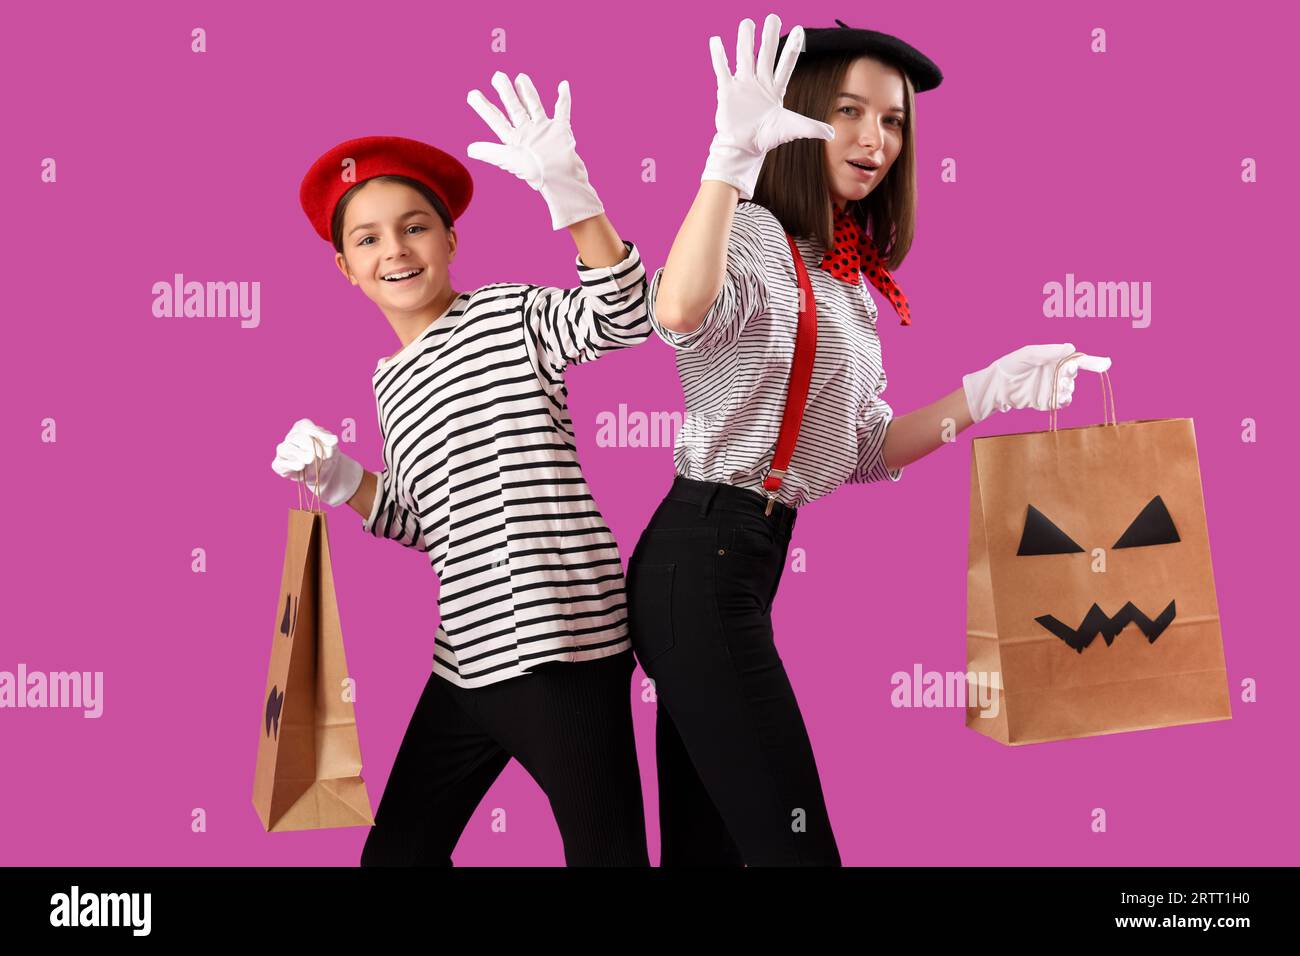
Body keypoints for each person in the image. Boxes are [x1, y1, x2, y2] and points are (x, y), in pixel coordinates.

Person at [626, 15, 1111, 866]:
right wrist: (725, 163)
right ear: (802, 116)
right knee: (797, 844)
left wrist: (990, 389)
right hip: (698, 553)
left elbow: (865, 452)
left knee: (709, 849)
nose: (874, 139)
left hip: (746, 561)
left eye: (891, 121)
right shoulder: (747, 232)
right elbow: (676, 310)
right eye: (850, 113)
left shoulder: (845, 283)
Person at [272, 71, 652, 865]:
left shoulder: (509, 314)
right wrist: (343, 480)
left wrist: (574, 199)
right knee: (398, 855)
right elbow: (426, 521)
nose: (394, 250)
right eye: (367, 238)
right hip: (466, 661)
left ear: (450, 240)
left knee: (605, 852)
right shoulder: (388, 380)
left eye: (414, 227)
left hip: (562, 647)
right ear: (344, 267)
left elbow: (624, 318)